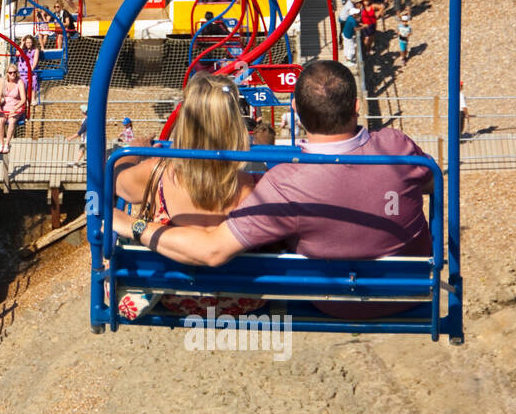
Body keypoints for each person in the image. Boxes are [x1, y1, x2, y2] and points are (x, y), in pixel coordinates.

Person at [122, 60, 433, 320]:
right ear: (356, 105)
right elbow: (433, 183)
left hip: (333, 301)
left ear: (295, 110)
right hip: (412, 287)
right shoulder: (397, 147)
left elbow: (213, 249)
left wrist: (128, 222)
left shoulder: (285, 183)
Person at [112, 73, 259, 320]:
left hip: (174, 297)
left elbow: (114, 181)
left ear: (185, 122)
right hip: (241, 300)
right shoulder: (250, 185)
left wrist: (133, 153)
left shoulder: (156, 173)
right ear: (234, 123)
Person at [0, 66, 27, 154]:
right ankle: (1, 142)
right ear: (7, 74)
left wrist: (15, 108)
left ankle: (7, 143)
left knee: (12, 121)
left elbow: (23, 99)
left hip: (16, 105)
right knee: (0, 120)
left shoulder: (19, 82)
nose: (12, 74)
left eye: (14, 72)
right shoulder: (3, 82)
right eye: (10, 73)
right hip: (5, 106)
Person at [17, 35, 41, 107]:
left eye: (30, 42)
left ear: (32, 42)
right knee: (23, 81)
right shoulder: (22, 49)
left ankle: (32, 98)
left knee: (33, 80)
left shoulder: (35, 50)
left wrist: (31, 69)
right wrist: (22, 43)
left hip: (31, 68)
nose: (28, 44)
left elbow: (35, 61)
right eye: (27, 42)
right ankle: (25, 99)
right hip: (23, 68)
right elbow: (18, 54)